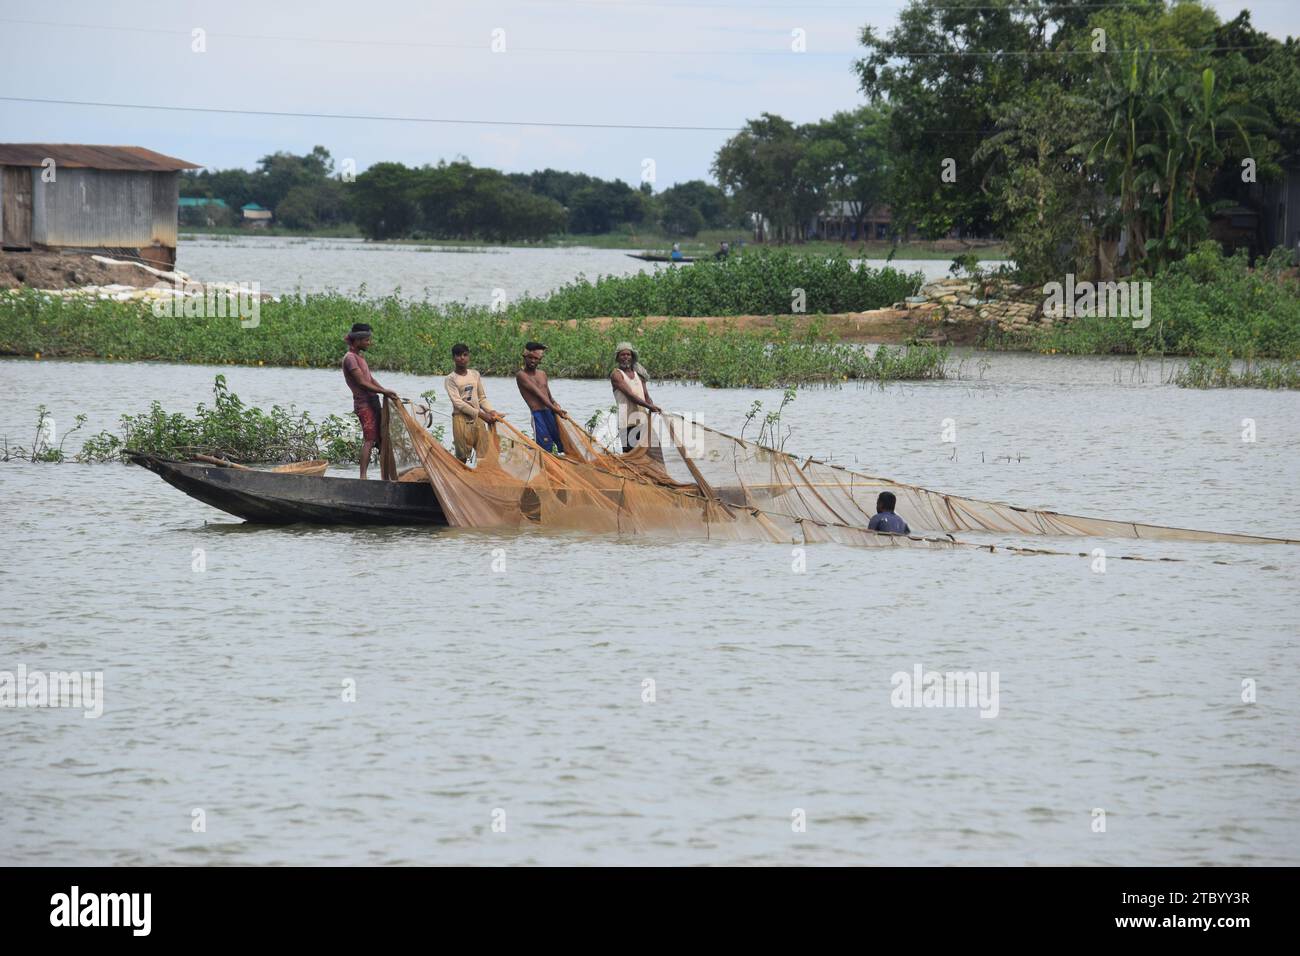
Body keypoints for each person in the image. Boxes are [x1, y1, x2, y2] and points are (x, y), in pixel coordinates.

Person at [342, 323, 399, 480]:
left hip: (373, 401)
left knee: (382, 439)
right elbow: (361, 382)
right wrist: (383, 391)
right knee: (369, 439)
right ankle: (363, 477)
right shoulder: (350, 359)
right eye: (366, 340)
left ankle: (387, 476)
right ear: (357, 340)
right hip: (363, 404)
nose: (369, 343)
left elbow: (370, 379)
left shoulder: (360, 357)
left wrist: (384, 391)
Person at [444, 343, 504, 464]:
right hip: (461, 419)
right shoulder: (450, 379)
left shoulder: (475, 374)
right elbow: (458, 403)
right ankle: (460, 478)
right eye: (458, 355)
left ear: (469, 357)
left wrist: (491, 411)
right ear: (453, 358)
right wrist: (482, 415)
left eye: (465, 355)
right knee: (462, 456)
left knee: (484, 454)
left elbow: (481, 398)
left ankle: (482, 479)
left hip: (479, 420)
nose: (462, 358)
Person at [514, 341, 567, 454]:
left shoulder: (542, 374)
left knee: (562, 444)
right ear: (525, 357)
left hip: (550, 412)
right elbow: (539, 395)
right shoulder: (521, 375)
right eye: (530, 357)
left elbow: (548, 395)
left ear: (540, 360)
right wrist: (555, 409)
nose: (533, 361)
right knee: (544, 448)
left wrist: (555, 404)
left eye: (536, 358)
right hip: (538, 414)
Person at [610, 342, 661, 453]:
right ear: (618, 358)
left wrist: (652, 406)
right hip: (627, 422)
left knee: (649, 453)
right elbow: (630, 395)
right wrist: (649, 406)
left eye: (628, 355)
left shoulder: (638, 374)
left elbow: (646, 396)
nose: (626, 357)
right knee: (630, 455)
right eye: (622, 355)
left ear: (632, 357)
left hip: (641, 420)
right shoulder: (616, 374)